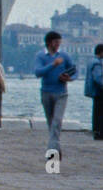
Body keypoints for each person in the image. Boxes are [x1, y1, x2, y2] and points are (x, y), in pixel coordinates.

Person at [33, 31, 77, 160]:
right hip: (46, 92)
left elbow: (74, 71)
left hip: (61, 93)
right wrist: (53, 65)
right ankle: (56, 147)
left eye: (59, 42)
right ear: (49, 43)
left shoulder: (64, 55)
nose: (58, 45)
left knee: (57, 121)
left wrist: (69, 78)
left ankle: (52, 152)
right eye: (56, 42)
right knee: (51, 122)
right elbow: (38, 72)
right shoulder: (41, 56)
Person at [87, 43, 103, 141]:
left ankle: (96, 131)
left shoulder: (91, 61)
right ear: (101, 52)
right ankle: (100, 133)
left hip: (94, 91)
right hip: (99, 91)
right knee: (101, 113)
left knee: (96, 112)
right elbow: (98, 78)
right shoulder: (97, 63)